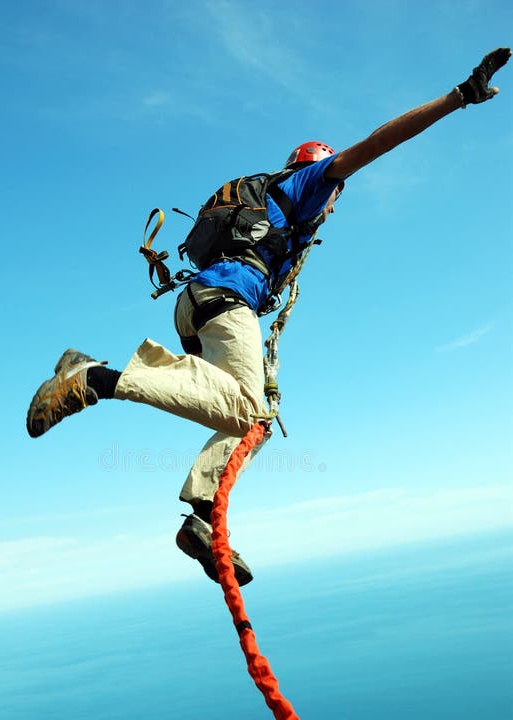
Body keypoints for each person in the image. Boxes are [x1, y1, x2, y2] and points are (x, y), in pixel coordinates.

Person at [26, 48, 510, 586]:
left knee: (248, 422)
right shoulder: (309, 183)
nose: (334, 202)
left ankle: (204, 517)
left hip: (200, 305)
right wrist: (458, 97)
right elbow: (377, 144)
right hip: (227, 301)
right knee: (251, 414)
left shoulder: (271, 198)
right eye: (336, 191)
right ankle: (95, 378)